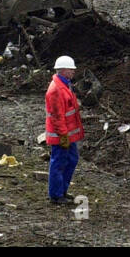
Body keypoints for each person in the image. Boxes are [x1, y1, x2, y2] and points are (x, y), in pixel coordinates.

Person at [46, 55, 84, 206]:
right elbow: (57, 116)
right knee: (59, 163)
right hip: (62, 135)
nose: (73, 72)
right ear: (62, 70)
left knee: (71, 160)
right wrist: (63, 135)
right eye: (70, 69)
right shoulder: (56, 90)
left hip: (67, 134)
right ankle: (56, 195)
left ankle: (61, 191)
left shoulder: (65, 85)